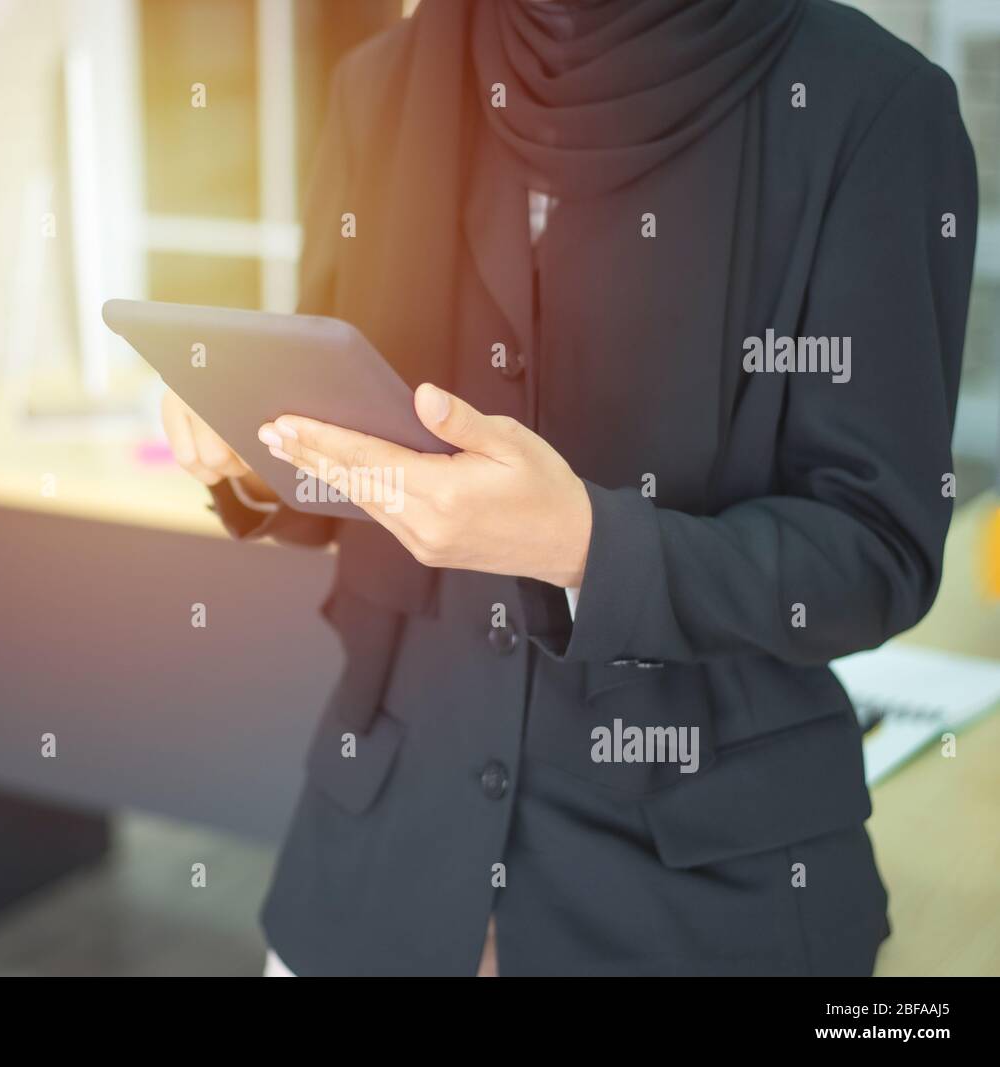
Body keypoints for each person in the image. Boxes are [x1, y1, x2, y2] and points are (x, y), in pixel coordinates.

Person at [160, 0, 977, 976]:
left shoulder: (870, 105)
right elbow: (354, 442)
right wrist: (259, 444)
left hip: (701, 904)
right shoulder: (380, 85)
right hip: (378, 867)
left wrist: (589, 545)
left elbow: (874, 550)